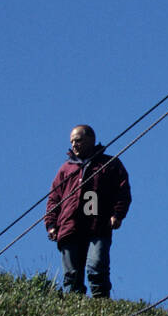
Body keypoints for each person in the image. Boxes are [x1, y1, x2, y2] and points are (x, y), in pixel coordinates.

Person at [45, 124, 131, 298]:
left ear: (91, 139)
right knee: (72, 275)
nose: (74, 145)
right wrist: (51, 224)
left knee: (96, 267)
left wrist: (117, 214)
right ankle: (74, 306)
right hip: (69, 226)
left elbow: (123, 191)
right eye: (72, 142)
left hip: (97, 225)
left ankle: (101, 304)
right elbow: (54, 198)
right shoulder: (66, 169)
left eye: (78, 140)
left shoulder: (109, 164)